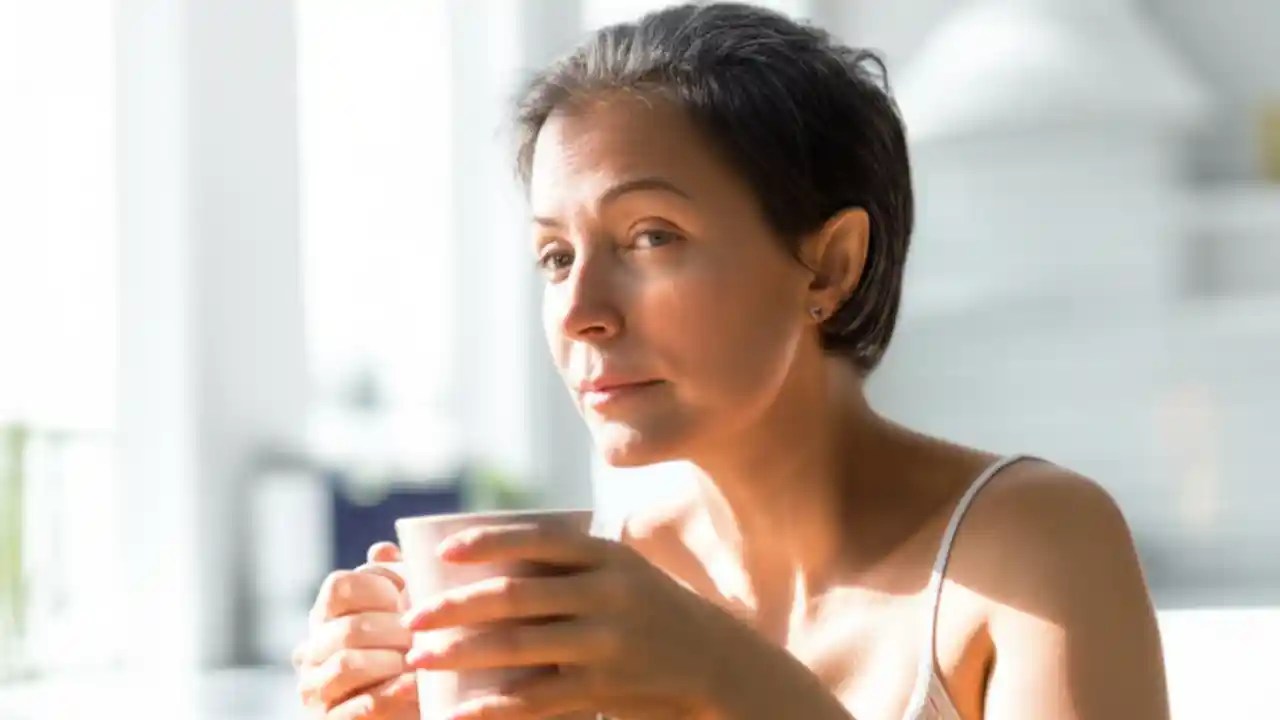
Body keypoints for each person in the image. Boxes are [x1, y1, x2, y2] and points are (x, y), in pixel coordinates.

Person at [291, 3, 1170, 718]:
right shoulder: (579, 599)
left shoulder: (1033, 545)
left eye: (650, 236)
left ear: (829, 264)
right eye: (556, 256)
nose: (582, 313)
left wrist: (735, 682)